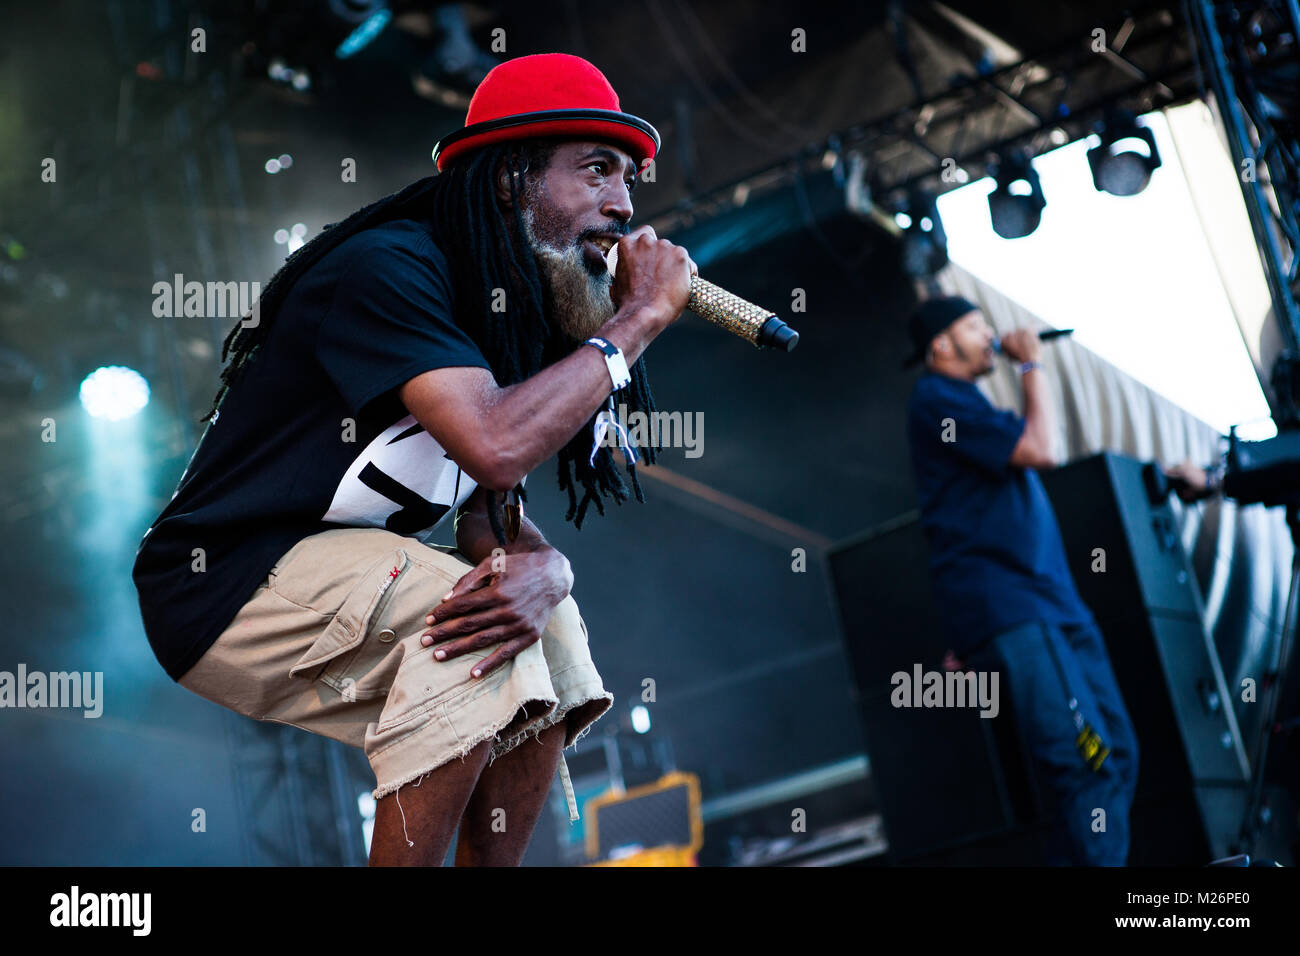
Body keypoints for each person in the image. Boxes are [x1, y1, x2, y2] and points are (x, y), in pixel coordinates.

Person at [131, 53, 698, 866]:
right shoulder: (392, 268)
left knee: (538, 618)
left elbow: (486, 503)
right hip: (221, 582)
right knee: (455, 615)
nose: (624, 204)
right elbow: (496, 442)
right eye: (598, 171)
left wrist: (548, 569)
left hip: (342, 570)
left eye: (631, 180)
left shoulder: (517, 309)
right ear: (510, 179)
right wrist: (635, 324)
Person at [903, 295, 1140, 866]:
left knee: (1118, 756)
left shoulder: (968, 403)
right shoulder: (936, 400)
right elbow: (1042, 449)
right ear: (941, 344)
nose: (990, 333)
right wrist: (1031, 365)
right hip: (1015, 609)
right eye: (974, 325)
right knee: (1086, 764)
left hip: (1053, 605)